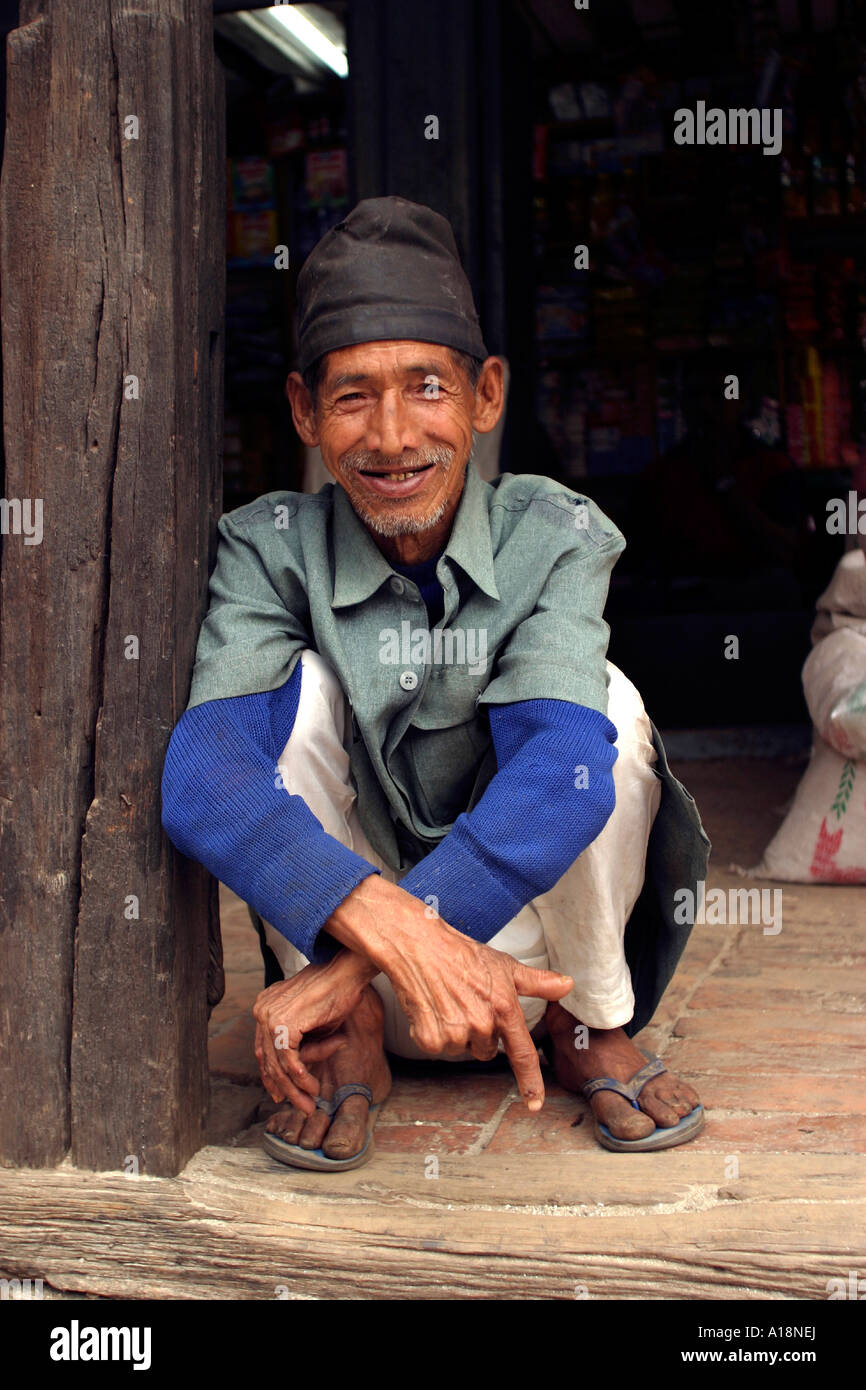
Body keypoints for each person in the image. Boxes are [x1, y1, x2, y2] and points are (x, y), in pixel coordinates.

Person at [162, 196, 711, 1170]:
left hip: (521, 961)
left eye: (425, 386)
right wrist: (372, 942)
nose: (390, 435)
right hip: (348, 953)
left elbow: (562, 775)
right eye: (350, 396)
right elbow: (203, 773)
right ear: (302, 411)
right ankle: (350, 1040)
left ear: (484, 397)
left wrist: (369, 954)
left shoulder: (553, 531)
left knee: (606, 717)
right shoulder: (268, 546)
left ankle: (590, 1022)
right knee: (292, 697)